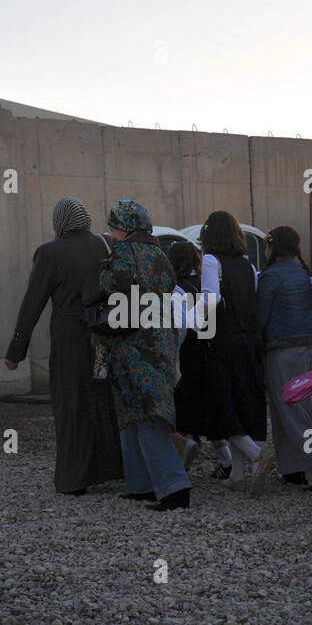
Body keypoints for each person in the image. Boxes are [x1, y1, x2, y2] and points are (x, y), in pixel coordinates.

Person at [5, 197, 123, 495]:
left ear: (59, 222)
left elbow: (32, 304)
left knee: (70, 404)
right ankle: (111, 469)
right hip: (104, 333)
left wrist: (15, 352)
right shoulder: (105, 244)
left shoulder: (50, 252)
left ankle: (74, 478)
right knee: (101, 399)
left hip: (69, 335)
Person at [97, 199, 191, 510]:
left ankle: (174, 487)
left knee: (143, 415)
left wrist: (102, 276)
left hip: (134, 344)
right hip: (161, 341)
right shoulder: (160, 254)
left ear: (123, 228)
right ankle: (142, 484)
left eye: (113, 228)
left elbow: (119, 285)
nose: (111, 234)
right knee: (138, 413)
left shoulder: (125, 251)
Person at [257, 225, 312, 493]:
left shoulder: (270, 277)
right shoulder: (305, 273)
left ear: (272, 248)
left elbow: (261, 317)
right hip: (311, 349)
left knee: (288, 413)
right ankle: (293, 469)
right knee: (304, 412)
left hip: (282, 351)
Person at [200, 210, 273, 495]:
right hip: (250, 341)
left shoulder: (210, 261)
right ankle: (238, 476)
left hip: (223, 341)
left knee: (223, 406)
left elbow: (211, 301)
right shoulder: (247, 265)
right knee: (242, 402)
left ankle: (257, 455)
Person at [166, 240, 207, 470]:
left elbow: (180, 327)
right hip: (206, 352)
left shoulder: (177, 288)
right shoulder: (203, 284)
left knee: (183, 407)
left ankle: (182, 452)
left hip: (185, 354)